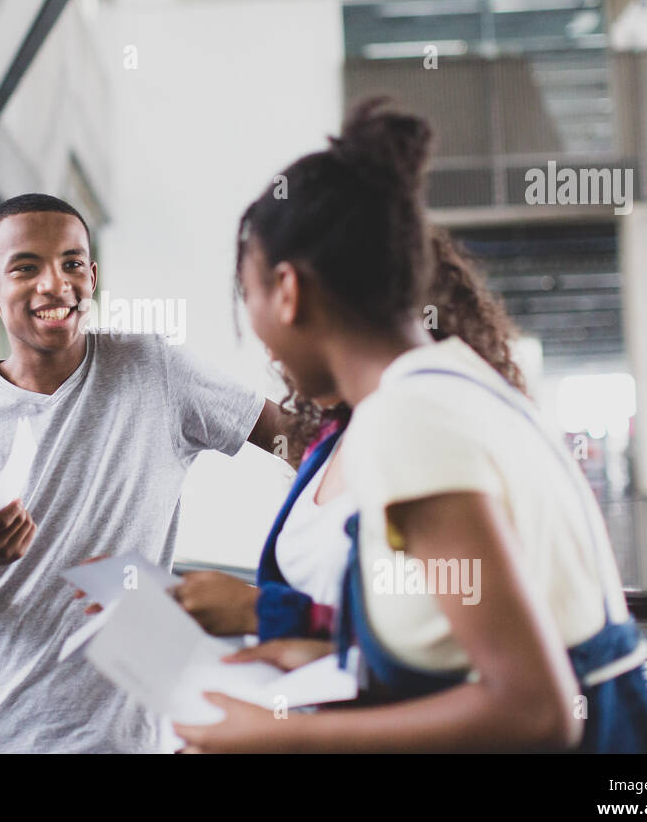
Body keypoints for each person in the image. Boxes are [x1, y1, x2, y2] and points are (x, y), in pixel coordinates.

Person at [173, 98, 647, 753]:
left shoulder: (405, 419)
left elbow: (536, 712)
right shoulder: (457, 386)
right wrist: (335, 660)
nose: (260, 340)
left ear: (288, 290)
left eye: (250, 298)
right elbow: (467, 640)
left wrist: (279, 739)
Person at [0, 193, 297, 753]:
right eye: (26, 267)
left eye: (72, 263)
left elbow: (299, 442)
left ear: (92, 276)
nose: (55, 284)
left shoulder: (155, 369)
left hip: (124, 736)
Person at [172, 229, 530, 643]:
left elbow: (452, 641)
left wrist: (262, 614)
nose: (270, 352)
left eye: (273, 309)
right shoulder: (332, 438)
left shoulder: (436, 433)